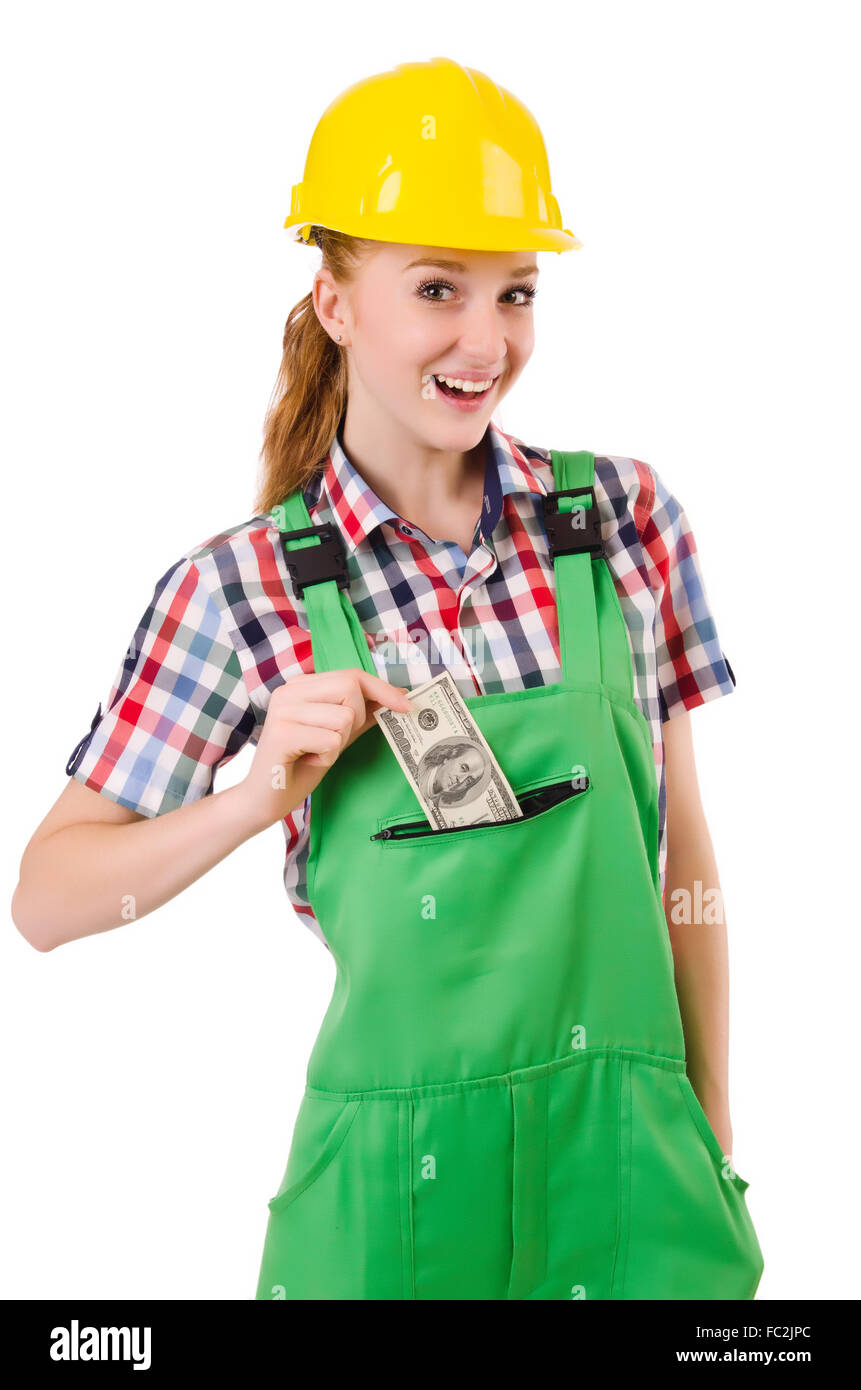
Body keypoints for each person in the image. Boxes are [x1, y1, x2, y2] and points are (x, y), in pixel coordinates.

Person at [11, 56, 764, 1300]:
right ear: (335, 301)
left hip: (631, 1170)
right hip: (387, 1211)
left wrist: (712, 1121)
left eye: (516, 291)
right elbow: (46, 901)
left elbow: (685, 861)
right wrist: (253, 798)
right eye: (436, 289)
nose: (488, 340)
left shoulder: (627, 521)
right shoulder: (242, 592)